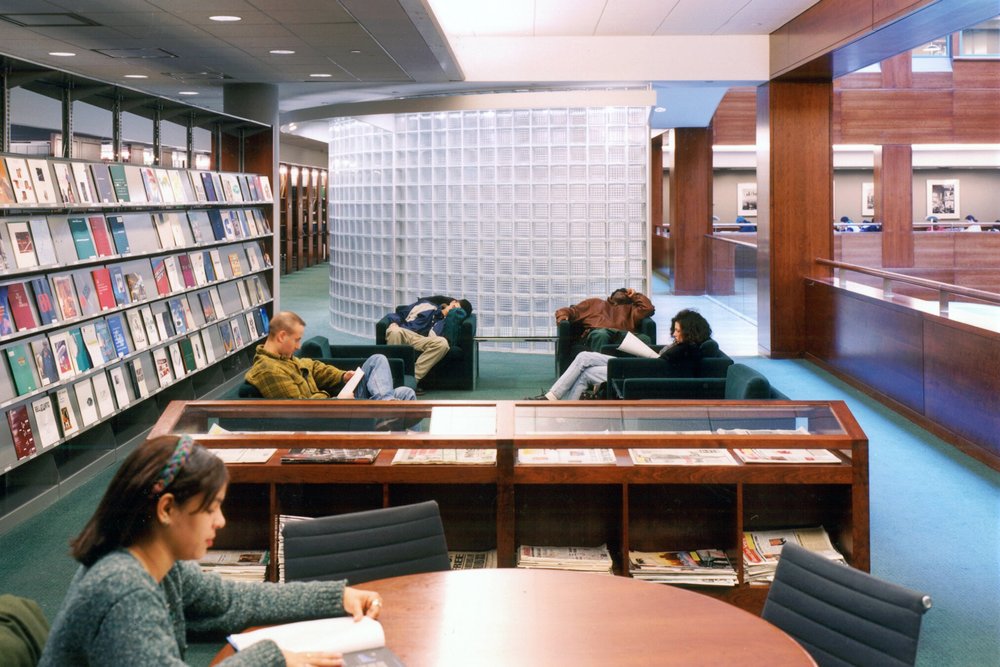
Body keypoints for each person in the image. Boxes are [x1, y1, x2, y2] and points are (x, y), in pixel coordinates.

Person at [39, 434, 383, 666]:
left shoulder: (156, 562)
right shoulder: (124, 591)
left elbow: (234, 601)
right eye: (211, 508)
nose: (220, 521)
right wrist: (275, 657)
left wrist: (335, 597)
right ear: (167, 509)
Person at [531, 309, 712, 401]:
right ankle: (553, 397)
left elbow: (662, 366)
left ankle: (563, 409)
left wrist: (651, 357)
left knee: (586, 374)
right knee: (584, 357)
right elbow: (662, 360)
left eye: (678, 331)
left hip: (637, 372)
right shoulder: (682, 345)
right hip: (639, 366)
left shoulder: (686, 349)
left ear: (690, 332)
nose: (674, 334)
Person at [245, 311, 415, 401]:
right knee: (405, 395)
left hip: (339, 403)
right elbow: (299, 410)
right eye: (296, 340)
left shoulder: (285, 358)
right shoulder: (268, 370)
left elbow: (315, 367)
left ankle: (385, 405)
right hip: (333, 412)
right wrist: (337, 400)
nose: (298, 346)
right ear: (281, 336)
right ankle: (386, 408)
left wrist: (342, 376)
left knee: (379, 361)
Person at [384, 296, 472, 393]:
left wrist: (452, 316)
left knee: (443, 343)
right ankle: (392, 379)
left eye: (458, 311)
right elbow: (399, 314)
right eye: (455, 307)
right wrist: (395, 322)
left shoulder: (449, 322)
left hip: (424, 340)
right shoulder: (426, 305)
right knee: (394, 331)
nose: (454, 310)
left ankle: (410, 381)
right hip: (406, 333)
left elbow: (449, 341)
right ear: (452, 302)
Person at [555, 287, 655, 352]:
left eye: (625, 292)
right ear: (612, 295)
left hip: (623, 335)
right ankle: (600, 376)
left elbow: (648, 308)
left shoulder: (631, 309)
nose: (623, 292)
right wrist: (562, 315)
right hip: (599, 331)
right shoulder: (594, 303)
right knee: (601, 335)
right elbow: (572, 311)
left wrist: (635, 295)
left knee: (645, 339)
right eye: (620, 291)